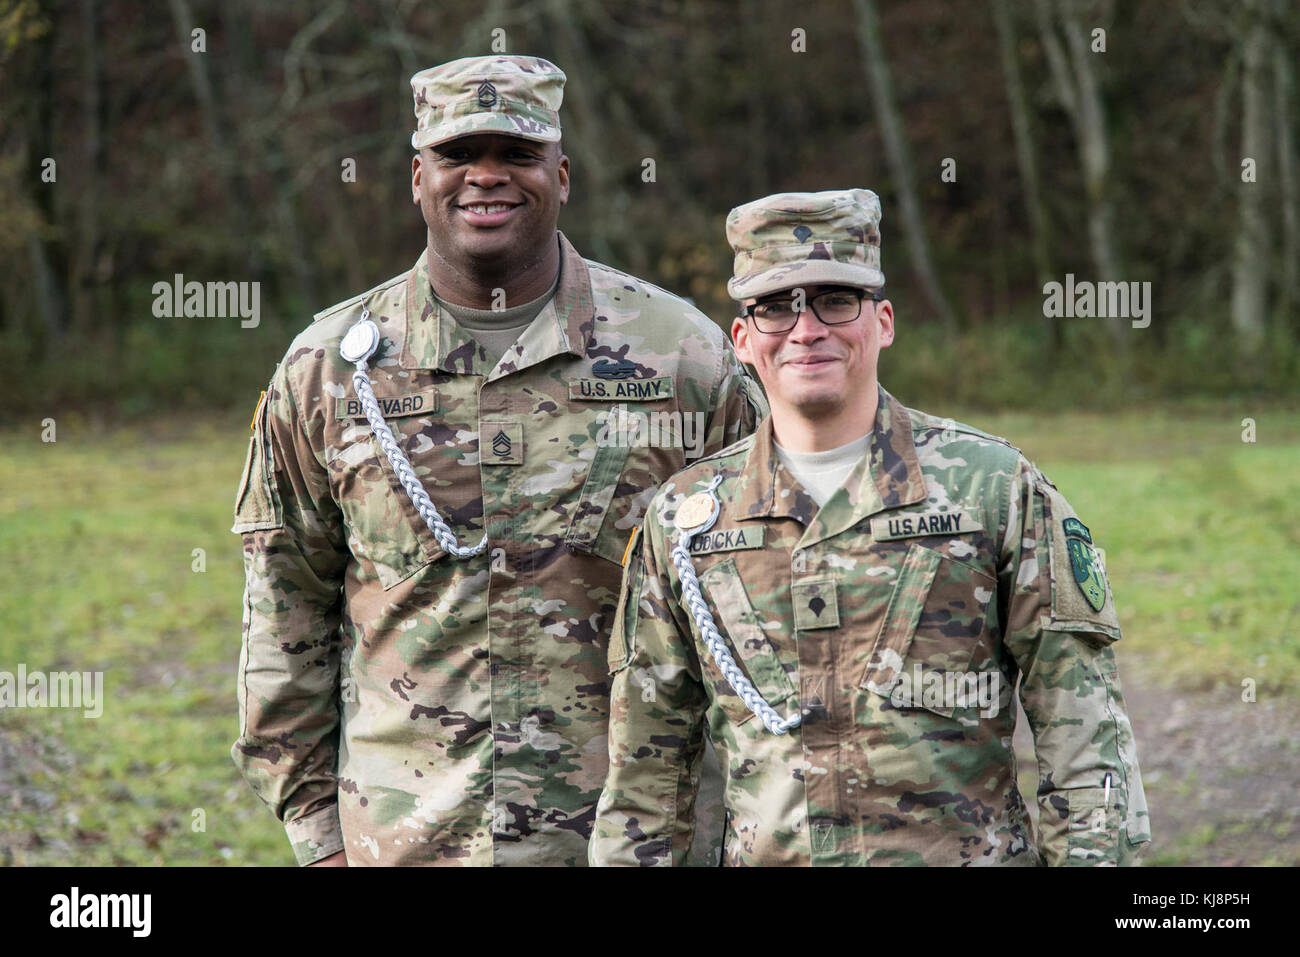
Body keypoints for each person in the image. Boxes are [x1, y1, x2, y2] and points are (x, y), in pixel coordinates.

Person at [230, 55, 763, 866]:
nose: (486, 177)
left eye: (516, 155)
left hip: (634, 841)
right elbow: (285, 613)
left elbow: (760, 608)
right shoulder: (329, 373)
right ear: (418, 177)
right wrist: (319, 839)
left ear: (562, 174)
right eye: (457, 156)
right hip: (407, 841)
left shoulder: (680, 359)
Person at [590, 189, 1151, 866]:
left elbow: (1085, 741)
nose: (806, 329)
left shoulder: (993, 488)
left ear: (882, 321)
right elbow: (646, 781)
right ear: (742, 339)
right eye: (776, 306)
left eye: (835, 298)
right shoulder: (686, 521)